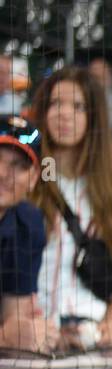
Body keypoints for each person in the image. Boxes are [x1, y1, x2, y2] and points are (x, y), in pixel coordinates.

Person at [30, 68, 112, 351]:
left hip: (89, 335)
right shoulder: (30, 179)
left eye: (78, 106)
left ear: (93, 117)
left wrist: (111, 327)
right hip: (34, 333)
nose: (64, 114)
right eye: (56, 103)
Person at [0, 115, 47, 351]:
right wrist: (6, 337)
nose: (2, 174)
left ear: (34, 179)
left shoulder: (28, 223)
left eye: (18, 166)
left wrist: (26, 334)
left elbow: (13, 317)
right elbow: (8, 335)